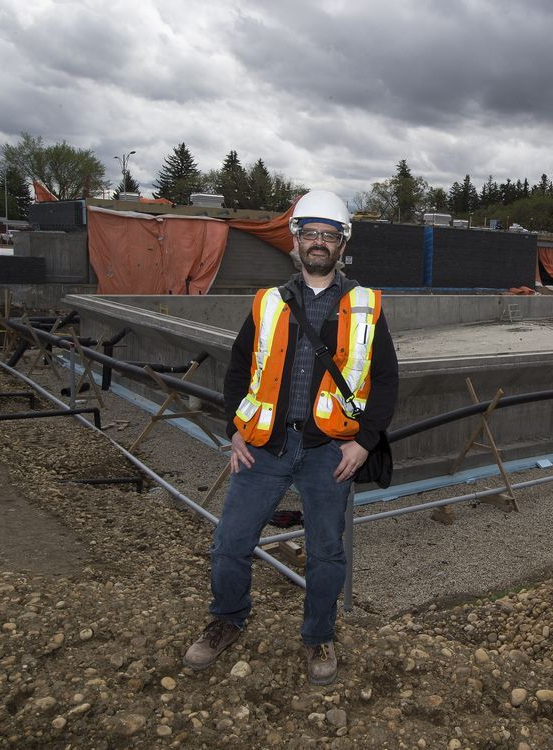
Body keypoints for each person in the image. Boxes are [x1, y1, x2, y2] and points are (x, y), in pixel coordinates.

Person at [183, 189, 398, 685]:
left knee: (326, 552)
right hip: (265, 448)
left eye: (329, 235)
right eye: (310, 234)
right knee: (231, 541)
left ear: (342, 246)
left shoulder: (364, 306)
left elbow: (386, 380)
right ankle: (226, 620)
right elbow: (238, 368)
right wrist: (235, 427)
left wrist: (364, 441)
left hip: (329, 453)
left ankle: (318, 634)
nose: (319, 243)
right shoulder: (268, 304)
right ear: (295, 242)